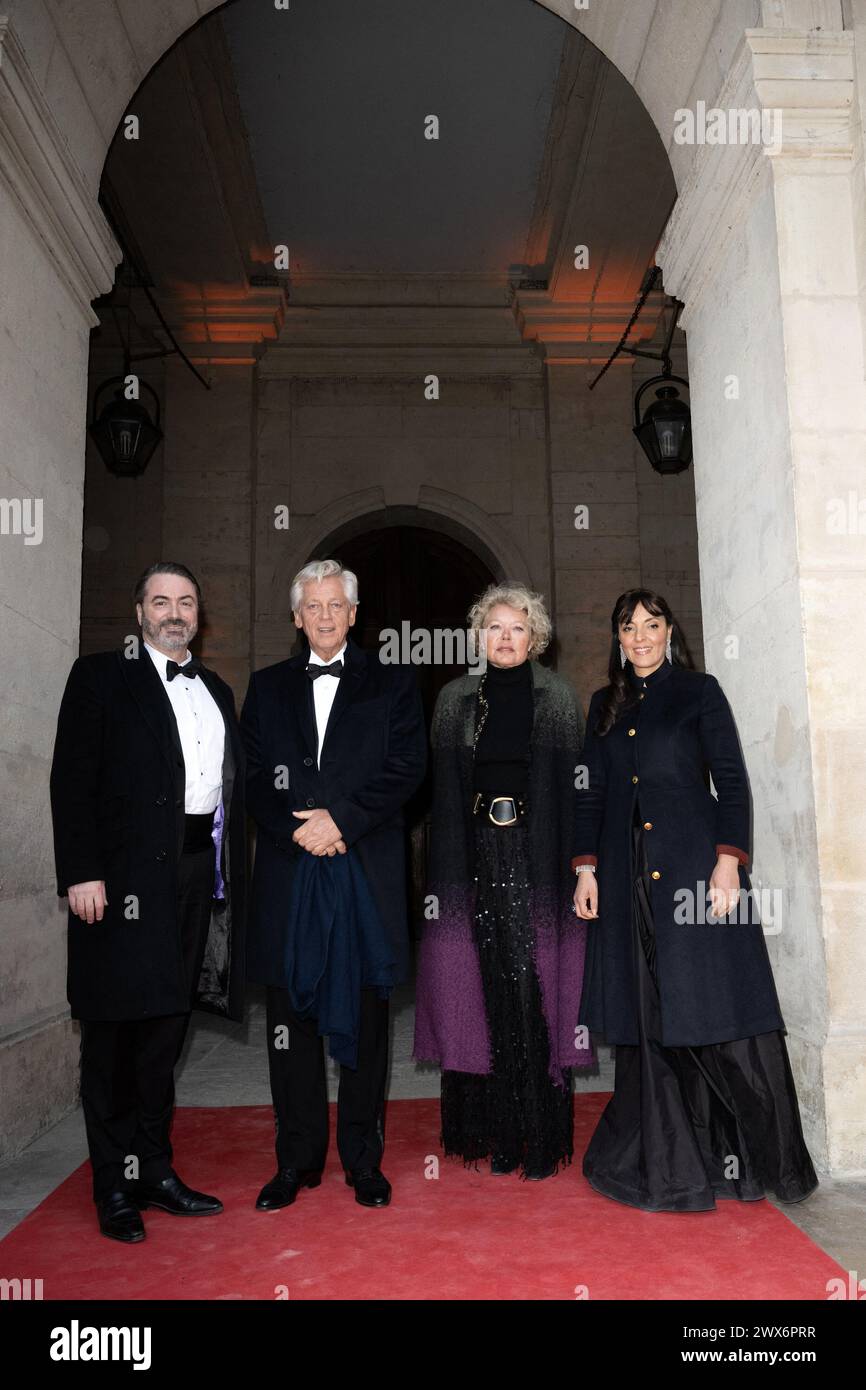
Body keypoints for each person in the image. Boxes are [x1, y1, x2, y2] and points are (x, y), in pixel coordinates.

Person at [573, 587, 818, 1211]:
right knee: (649, 1019)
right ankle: (674, 1168)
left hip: (695, 877)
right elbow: (590, 796)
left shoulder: (699, 692)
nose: (640, 637)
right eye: (628, 627)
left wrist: (729, 862)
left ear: (669, 631)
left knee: (719, 1012)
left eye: (651, 625)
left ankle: (762, 1161)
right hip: (627, 880)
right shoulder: (603, 705)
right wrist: (585, 869)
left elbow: (733, 782)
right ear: (618, 638)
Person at [49, 562, 246, 1242]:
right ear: (138, 612)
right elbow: (72, 782)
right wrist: (81, 872)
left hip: (195, 878)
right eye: (160, 601)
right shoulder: (100, 677)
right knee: (112, 1035)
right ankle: (112, 1185)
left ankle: (153, 1171)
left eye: (186, 601)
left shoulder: (217, 689)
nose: (174, 612)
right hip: (118, 884)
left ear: (199, 614)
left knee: (166, 1031)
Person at [241, 559, 426, 1211]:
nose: (323, 615)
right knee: (290, 1021)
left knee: (367, 1023)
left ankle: (363, 1161)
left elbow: (408, 767)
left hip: (362, 868)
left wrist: (340, 821)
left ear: (354, 613)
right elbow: (254, 774)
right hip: (293, 874)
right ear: (296, 617)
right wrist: (302, 829)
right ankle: (295, 1162)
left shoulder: (394, 682)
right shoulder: (265, 688)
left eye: (335, 605)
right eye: (311, 606)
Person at [414, 583, 591, 1179]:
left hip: (538, 858)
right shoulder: (453, 700)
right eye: (494, 627)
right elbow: (437, 792)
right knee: (481, 987)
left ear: (535, 636)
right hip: (472, 858)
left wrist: (582, 868)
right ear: (479, 635)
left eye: (517, 627)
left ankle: (538, 1137)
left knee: (531, 989)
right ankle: (494, 1136)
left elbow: (576, 793)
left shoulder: (560, 698)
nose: (506, 637)